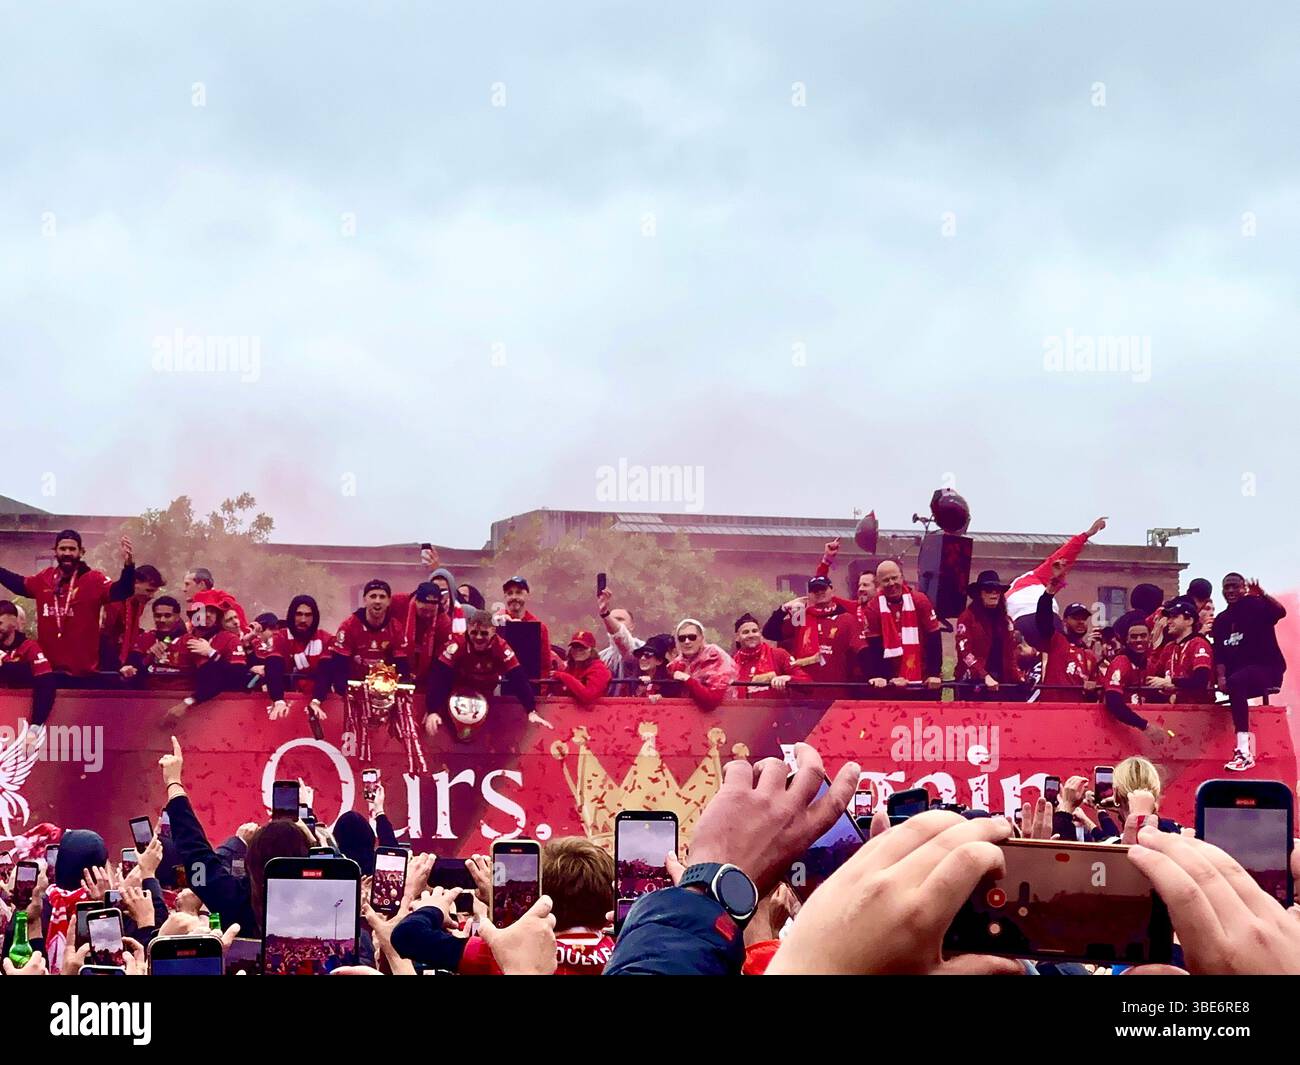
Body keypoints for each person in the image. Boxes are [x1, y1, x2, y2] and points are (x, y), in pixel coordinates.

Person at [0, 530, 135, 677]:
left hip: (83, 674)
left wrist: (129, 567)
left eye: (72, 549)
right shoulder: (45, 578)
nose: (67, 553)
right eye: (63, 549)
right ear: (55, 552)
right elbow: (19, 584)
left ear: (81, 552)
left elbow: (123, 591)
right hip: (47, 672)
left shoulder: (93, 580)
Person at [424, 608, 552, 737]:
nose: (479, 638)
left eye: (484, 633)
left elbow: (518, 679)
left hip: (486, 694)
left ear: (493, 632)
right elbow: (439, 676)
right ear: (468, 629)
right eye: (474, 632)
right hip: (456, 692)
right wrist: (432, 710)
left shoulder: (501, 647)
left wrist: (531, 710)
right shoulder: (457, 644)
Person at [1212, 573, 1288, 772]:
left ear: (1243, 588)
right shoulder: (1221, 620)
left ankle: (1244, 752)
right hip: (1240, 676)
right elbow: (1219, 653)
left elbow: (1281, 612)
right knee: (1230, 681)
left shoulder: (1256, 605)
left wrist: (1262, 594)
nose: (1230, 591)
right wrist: (1220, 678)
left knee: (1237, 681)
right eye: (1226, 587)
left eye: (1234, 586)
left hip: (1268, 669)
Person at [158, 591, 251, 725]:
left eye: (212, 611)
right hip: (173, 709)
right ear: (193, 615)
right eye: (202, 610)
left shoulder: (230, 639)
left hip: (222, 712)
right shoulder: (181, 640)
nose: (207, 614)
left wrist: (212, 654)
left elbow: (239, 677)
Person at [761, 575, 861, 691]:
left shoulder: (846, 618)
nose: (819, 593)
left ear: (832, 590)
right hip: (804, 690)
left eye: (823, 589)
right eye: (814, 590)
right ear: (809, 595)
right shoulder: (801, 618)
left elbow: (860, 650)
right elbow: (769, 632)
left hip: (837, 688)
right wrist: (783, 609)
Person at [1003, 516, 1108, 626]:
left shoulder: (1023, 584)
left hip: (1028, 622)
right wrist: (1086, 534)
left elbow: (1062, 557)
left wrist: (1087, 535)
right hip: (1043, 620)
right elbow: (1063, 556)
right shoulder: (1029, 579)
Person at [859, 560, 943, 692]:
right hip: (891, 680)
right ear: (878, 584)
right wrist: (889, 677)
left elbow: (934, 638)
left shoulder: (920, 600)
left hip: (923, 677)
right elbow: (875, 647)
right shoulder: (873, 608)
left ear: (902, 577)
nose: (892, 583)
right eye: (886, 580)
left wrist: (934, 673)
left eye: (894, 578)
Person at [1028, 561, 1100, 701]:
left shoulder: (1089, 655)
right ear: (1064, 621)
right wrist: (1050, 591)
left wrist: (1092, 690)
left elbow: (1094, 696)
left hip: (1079, 716)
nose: (1080, 622)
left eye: (1084, 618)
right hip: (1053, 712)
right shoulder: (1056, 641)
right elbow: (1043, 618)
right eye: (1075, 618)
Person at [954, 571, 1023, 698]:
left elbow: (1010, 654)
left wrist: (1019, 678)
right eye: (988, 590)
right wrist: (984, 675)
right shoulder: (967, 618)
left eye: (997, 591)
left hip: (1001, 681)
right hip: (972, 681)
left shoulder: (1006, 621)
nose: (994, 594)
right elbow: (964, 651)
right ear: (979, 594)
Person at [265, 594, 334, 720]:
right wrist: (278, 700)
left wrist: (317, 700)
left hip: (317, 703)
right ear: (291, 616)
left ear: (315, 617)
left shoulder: (326, 639)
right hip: (285, 702)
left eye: (308, 615)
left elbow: (326, 672)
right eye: (299, 614)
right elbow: (273, 668)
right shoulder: (280, 637)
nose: (303, 620)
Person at [1101, 611, 1168, 736]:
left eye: (1143, 636)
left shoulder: (1149, 665)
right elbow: (1113, 702)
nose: (1139, 640)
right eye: (1134, 636)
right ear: (1126, 639)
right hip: (1119, 730)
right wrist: (1145, 726)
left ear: (1149, 638)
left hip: (1141, 727)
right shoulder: (1121, 662)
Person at [1147, 597, 1214, 705]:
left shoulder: (1199, 644)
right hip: (1173, 712)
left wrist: (1171, 683)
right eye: (1168, 617)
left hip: (1199, 711)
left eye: (1174, 617)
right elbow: (1155, 677)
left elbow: (1201, 681)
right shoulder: (1169, 647)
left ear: (1189, 621)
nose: (1169, 621)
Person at [0, 600, 57, 726]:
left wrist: (36, 724)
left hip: (20, 719)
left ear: (14, 623)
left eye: (0, 623)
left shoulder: (30, 647)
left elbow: (46, 683)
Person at [98, 564, 164, 671]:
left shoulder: (139, 604)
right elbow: (104, 636)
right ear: (135, 583)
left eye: (154, 592)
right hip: (105, 659)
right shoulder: (114, 602)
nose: (152, 596)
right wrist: (116, 667)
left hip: (123, 657)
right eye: (149, 590)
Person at [732, 613, 807, 698]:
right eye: (746, 632)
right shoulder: (731, 664)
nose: (751, 635)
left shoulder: (779, 655)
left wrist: (788, 678)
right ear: (737, 637)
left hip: (776, 710)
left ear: (760, 633)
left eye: (754, 631)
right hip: (742, 710)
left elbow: (806, 682)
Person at [667, 619, 736, 710]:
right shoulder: (676, 664)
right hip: (685, 717)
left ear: (701, 638)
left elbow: (712, 700)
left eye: (692, 637)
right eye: (682, 638)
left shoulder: (714, 656)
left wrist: (687, 679)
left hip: (720, 717)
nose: (687, 641)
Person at [121, 595, 190, 687]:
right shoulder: (145, 638)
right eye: (158, 616)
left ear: (177, 617)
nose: (162, 620)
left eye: (167, 616)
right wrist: (128, 669)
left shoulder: (189, 641)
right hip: (149, 696)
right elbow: (133, 666)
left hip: (180, 695)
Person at [494, 576, 552, 677]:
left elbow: (545, 665)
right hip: (500, 686)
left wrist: (540, 689)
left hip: (530, 684)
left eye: (518, 592)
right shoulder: (497, 622)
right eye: (509, 593)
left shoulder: (539, 627)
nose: (513, 597)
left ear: (527, 595)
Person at [549, 631, 612, 705]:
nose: (578, 651)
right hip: (568, 712)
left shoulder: (599, 669)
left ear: (591, 650)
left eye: (583, 648)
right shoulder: (571, 667)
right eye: (574, 647)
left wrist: (563, 676)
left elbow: (589, 696)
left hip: (595, 713)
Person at [595, 587, 643, 683]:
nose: (614, 622)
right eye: (612, 619)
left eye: (620, 619)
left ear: (632, 626)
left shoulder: (641, 649)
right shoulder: (601, 656)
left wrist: (605, 614)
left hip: (633, 697)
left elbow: (621, 638)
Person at [630, 634, 678, 699]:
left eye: (648, 655)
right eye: (640, 654)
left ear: (659, 661)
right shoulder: (630, 682)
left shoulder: (670, 683)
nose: (642, 658)